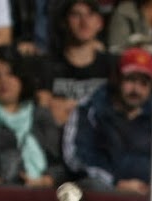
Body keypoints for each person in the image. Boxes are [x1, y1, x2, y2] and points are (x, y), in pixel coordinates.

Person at [0, 48, 62, 187]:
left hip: (35, 191)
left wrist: (44, 181)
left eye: (10, 74)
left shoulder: (40, 115)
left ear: (22, 78)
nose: (3, 81)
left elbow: (58, 165)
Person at [65, 49, 152, 192]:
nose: (136, 90)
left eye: (143, 83)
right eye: (130, 80)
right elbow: (76, 155)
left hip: (150, 193)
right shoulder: (92, 108)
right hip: (105, 191)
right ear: (116, 78)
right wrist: (115, 183)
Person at [35, 0, 114, 129]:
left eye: (90, 15)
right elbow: (46, 112)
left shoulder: (110, 65)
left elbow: (115, 111)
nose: (84, 22)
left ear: (100, 23)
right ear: (64, 23)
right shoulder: (47, 65)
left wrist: (69, 105)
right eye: (76, 15)